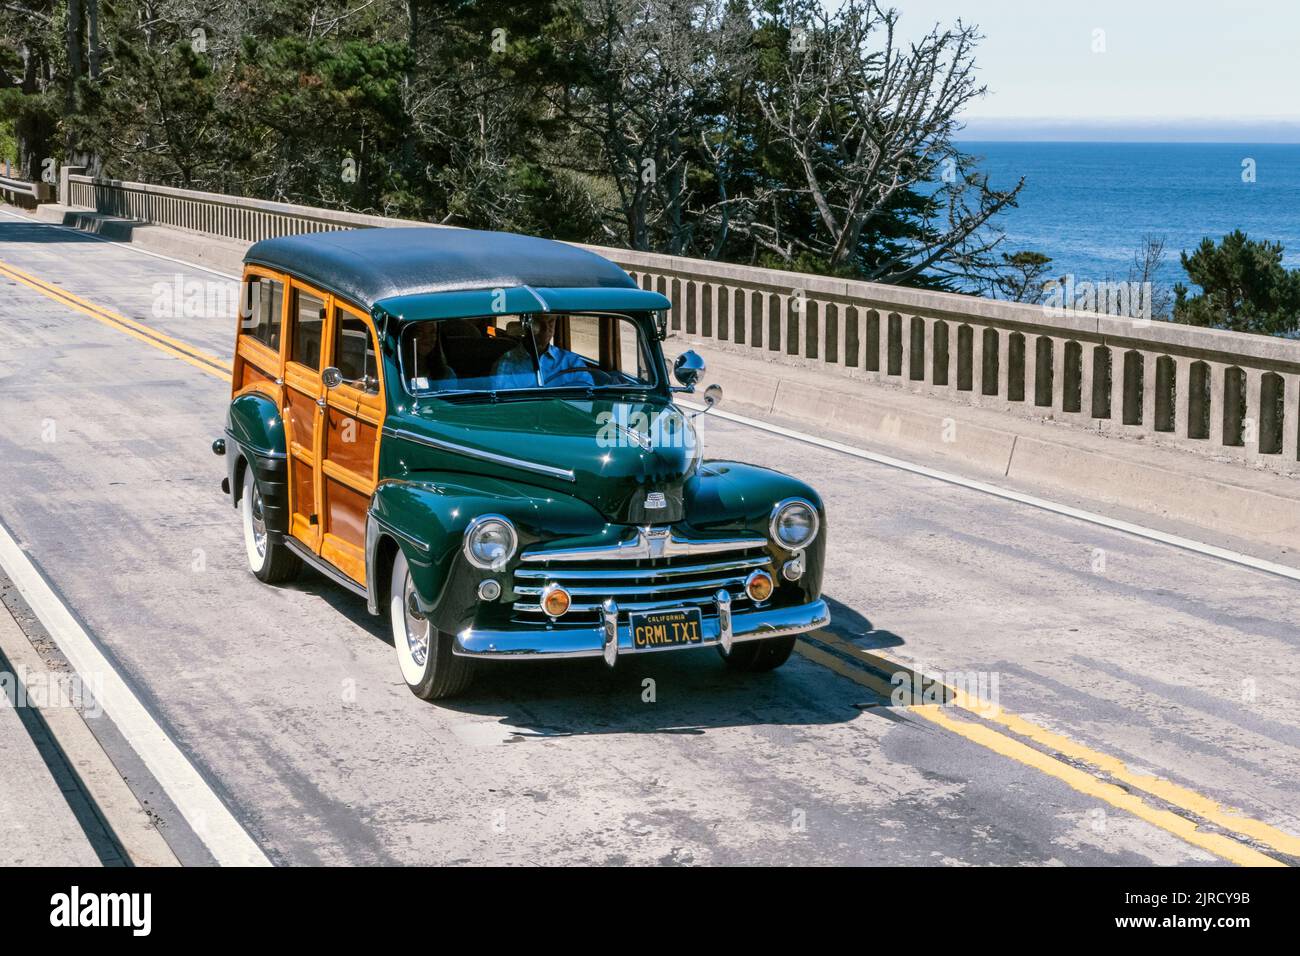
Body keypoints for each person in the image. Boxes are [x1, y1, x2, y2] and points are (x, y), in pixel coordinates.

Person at [490, 314, 593, 389]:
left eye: (551, 322)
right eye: (539, 322)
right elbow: (503, 410)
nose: (546, 328)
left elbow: (589, 400)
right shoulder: (506, 365)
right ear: (525, 325)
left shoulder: (572, 363)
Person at [408, 320, 458, 390]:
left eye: (432, 333)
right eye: (420, 332)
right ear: (409, 335)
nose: (427, 338)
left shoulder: (447, 374)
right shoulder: (397, 373)